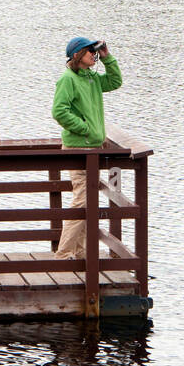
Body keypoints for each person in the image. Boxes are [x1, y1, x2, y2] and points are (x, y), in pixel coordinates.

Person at [52, 36, 122, 259]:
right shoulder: (68, 79)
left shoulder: (91, 77)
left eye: (95, 50)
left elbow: (115, 82)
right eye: (89, 51)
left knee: (87, 200)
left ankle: (80, 252)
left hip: (92, 149)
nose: (94, 54)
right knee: (83, 200)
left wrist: (108, 57)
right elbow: (59, 111)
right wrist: (85, 129)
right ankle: (63, 254)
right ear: (76, 56)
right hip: (77, 149)